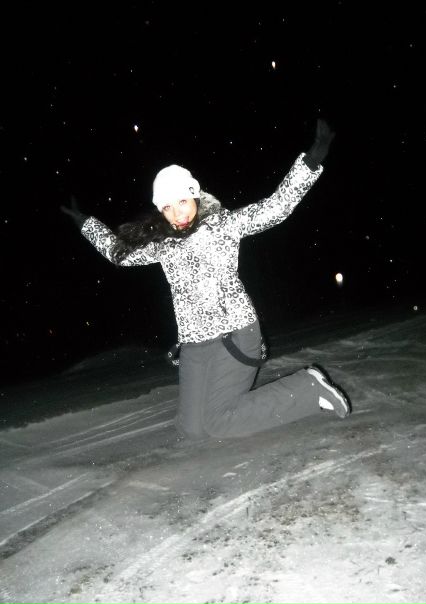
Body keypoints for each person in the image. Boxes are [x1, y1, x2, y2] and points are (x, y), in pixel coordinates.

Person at [61, 119, 351, 441]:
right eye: (167, 207)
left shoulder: (223, 226)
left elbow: (276, 208)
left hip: (234, 334)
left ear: (195, 196)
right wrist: (85, 223)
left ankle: (308, 388)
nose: (177, 214)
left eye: (182, 202)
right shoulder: (163, 244)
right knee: (192, 430)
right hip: (194, 345)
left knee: (219, 423)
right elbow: (120, 254)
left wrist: (311, 161)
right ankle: (268, 399)